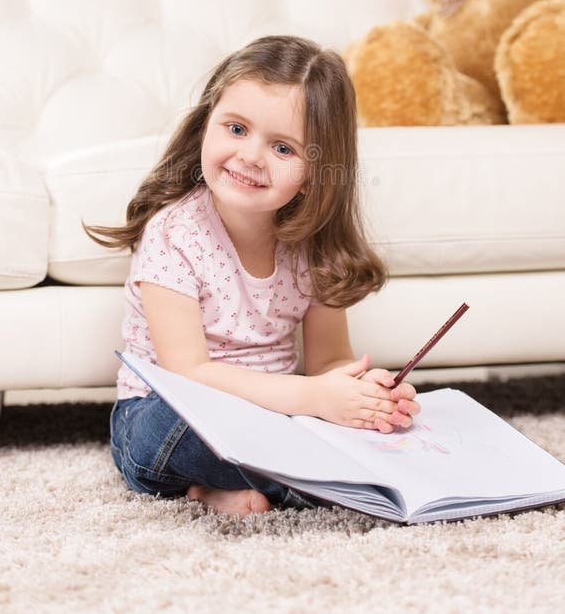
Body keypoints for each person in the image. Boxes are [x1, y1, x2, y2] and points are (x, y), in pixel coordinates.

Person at [85, 35, 420, 517]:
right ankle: (304, 480)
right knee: (171, 428)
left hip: (274, 418)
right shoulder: (174, 233)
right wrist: (314, 399)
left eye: (283, 147)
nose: (251, 157)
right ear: (207, 124)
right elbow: (190, 373)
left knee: (323, 429)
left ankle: (223, 489)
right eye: (237, 128)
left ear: (315, 171)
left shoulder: (315, 246)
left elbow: (329, 359)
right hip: (170, 413)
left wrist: (364, 396)